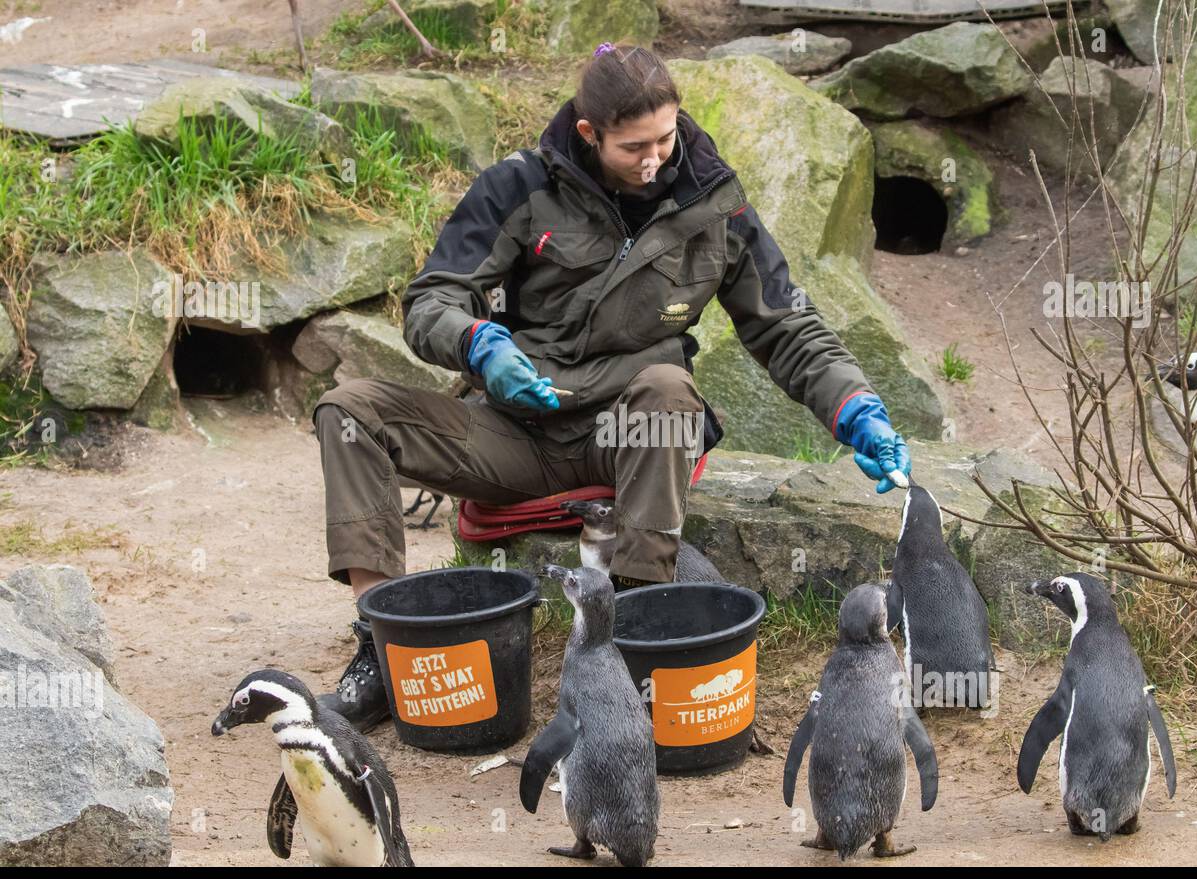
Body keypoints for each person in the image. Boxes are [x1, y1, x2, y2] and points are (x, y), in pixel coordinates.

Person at [311, 42, 912, 730]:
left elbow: (787, 328)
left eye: (666, 136)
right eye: (634, 146)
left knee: (668, 389)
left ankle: (637, 636)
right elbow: (431, 301)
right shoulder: (518, 187)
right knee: (349, 410)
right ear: (591, 134)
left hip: (630, 435)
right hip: (515, 431)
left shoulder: (715, 205)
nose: (655, 158)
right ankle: (382, 650)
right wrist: (481, 343)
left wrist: (858, 408)